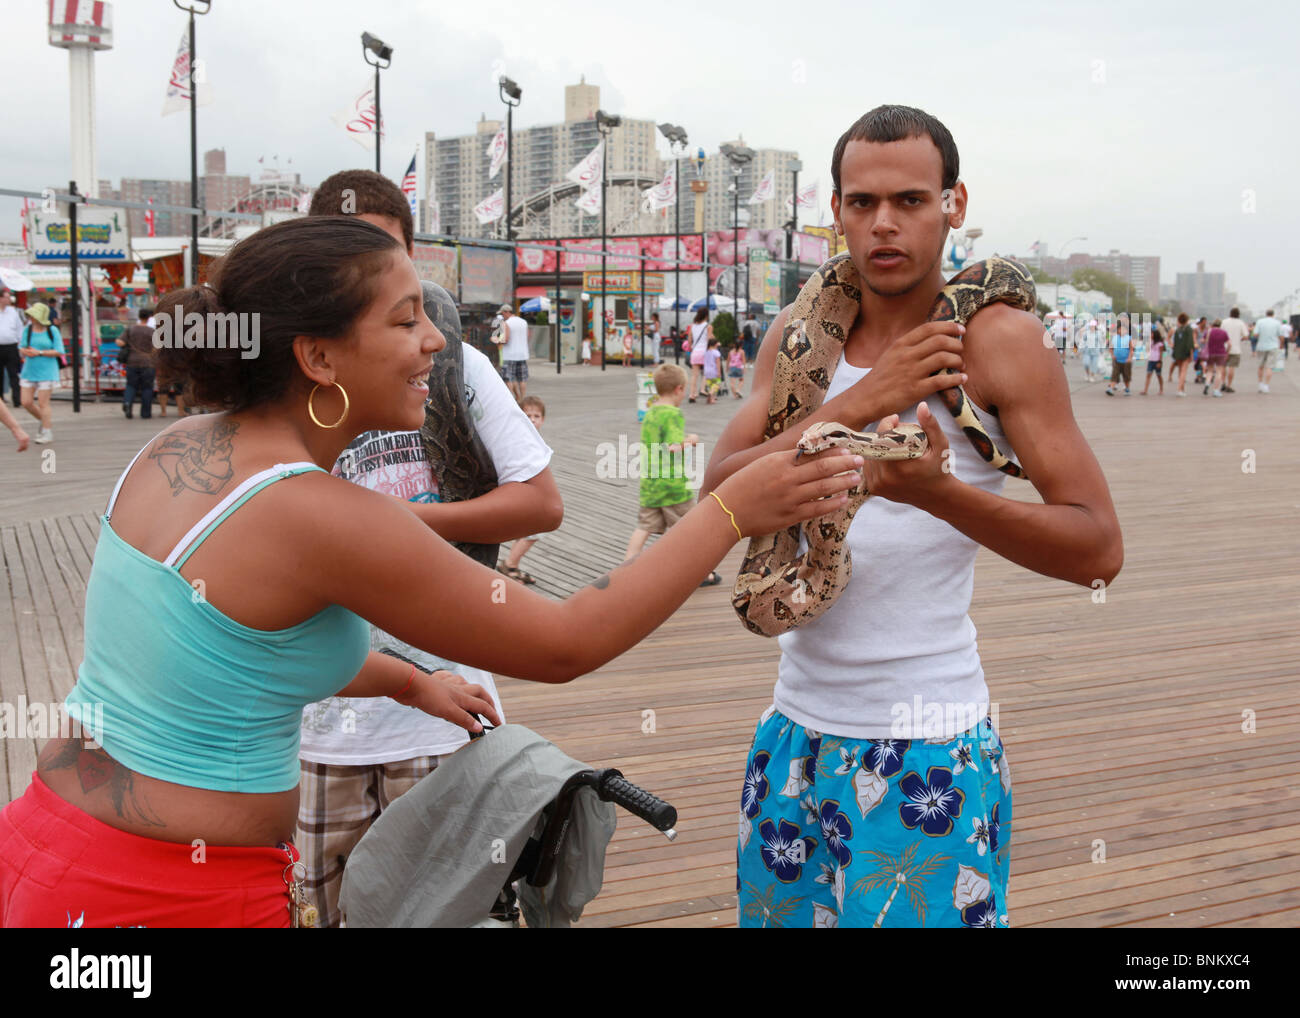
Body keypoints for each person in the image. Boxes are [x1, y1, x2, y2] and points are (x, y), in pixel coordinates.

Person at [0, 217, 863, 927]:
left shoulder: (174, 448)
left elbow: (224, 644)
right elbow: (565, 641)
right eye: (405, 319)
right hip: (161, 898)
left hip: (47, 845)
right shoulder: (317, 512)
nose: (435, 341)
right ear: (319, 358)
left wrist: (408, 685)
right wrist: (729, 512)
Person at [701, 105, 1122, 928]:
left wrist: (937, 493)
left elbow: (1098, 546)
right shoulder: (796, 333)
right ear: (837, 211)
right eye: (862, 203)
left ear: (954, 204)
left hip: (928, 747)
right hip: (792, 736)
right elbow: (717, 487)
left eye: (911, 200)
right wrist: (865, 399)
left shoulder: (1000, 341)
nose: (884, 224)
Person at [296, 169, 563, 928]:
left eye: (393, 256)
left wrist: (407, 528)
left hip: (442, 712)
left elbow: (541, 501)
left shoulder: (453, 364)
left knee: (448, 910)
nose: (378, 276)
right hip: (319, 727)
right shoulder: (290, 380)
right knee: (322, 910)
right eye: (355, 254)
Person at [622, 363, 721, 584]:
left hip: (651, 483)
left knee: (644, 527)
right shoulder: (673, 414)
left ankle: (625, 569)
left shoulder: (650, 413)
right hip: (673, 485)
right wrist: (692, 440)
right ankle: (702, 573)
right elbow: (674, 446)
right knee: (692, 529)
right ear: (678, 389)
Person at [497, 396, 548, 586]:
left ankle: (512, 565)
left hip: (530, 494)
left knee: (528, 532)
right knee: (536, 531)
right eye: (528, 416)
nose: (533, 419)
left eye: (537, 416)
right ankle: (509, 565)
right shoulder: (520, 441)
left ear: (543, 419)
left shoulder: (535, 439)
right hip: (521, 494)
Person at [17, 302, 61, 443]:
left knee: (43, 402)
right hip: (30, 369)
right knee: (26, 402)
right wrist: (25, 351)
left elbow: (59, 351)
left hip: (47, 370)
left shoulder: (52, 330)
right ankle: (44, 421)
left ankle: (47, 432)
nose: (31, 318)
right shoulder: (28, 329)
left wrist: (40, 352)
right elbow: (22, 347)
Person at [117, 307, 157, 419]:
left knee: (131, 385)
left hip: (132, 361)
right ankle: (145, 413)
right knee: (147, 388)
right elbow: (157, 347)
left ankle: (127, 403)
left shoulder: (130, 329)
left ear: (139, 316)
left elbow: (119, 342)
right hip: (148, 363)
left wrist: (129, 346)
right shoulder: (152, 332)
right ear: (149, 318)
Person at [497, 304, 530, 401]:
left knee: (509, 378)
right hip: (522, 354)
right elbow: (527, 336)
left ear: (506, 312)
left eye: (502, 314)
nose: (502, 316)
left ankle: (511, 399)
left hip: (509, 355)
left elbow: (505, 339)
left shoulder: (506, 323)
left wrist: (496, 340)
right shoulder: (524, 322)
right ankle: (522, 398)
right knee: (522, 379)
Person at [0, 287, 23, 408]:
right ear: (1, 298)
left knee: (13, 373)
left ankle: (17, 399)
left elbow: (19, 328)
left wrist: (20, 344)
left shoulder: (13, 311)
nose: (9, 299)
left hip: (11, 347)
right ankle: (1, 399)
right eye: (7, 297)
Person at [1252, 309, 1283, 393]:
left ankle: (1260, 384)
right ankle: (1266, 385)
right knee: (1269, 367)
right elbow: (1281, 336)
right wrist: (1281, 345)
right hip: (1273, 346)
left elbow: (1255, 334)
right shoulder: (1277, 323)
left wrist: (1261, 338)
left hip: (1261, 346)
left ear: (1266, 314)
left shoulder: (1260, 322)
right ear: (1273, 314)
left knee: (1260, 366)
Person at [1220, 308, 1249, 394]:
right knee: (1231, 368)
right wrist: (1240, 339)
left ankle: (1222, 383)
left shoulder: (1224, 322)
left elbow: (1220, 333)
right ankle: (1229, 385)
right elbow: (1246, 336)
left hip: (1224, 347)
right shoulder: (1241, 323)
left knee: (1223, 367)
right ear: (1238, 314)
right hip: (1235, 348)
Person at [687, 308, 712, 402]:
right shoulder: (708, 326)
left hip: (695, 351)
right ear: (706, 315)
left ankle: (691, 394)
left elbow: (689, 340)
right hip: (704, 351)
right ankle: (702, 389)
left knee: (694, 375)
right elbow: (709, 339)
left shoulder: (692, 326)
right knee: (706, 372)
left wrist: (690, 348)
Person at [1104, 316, 1132, 396]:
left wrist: (1129, 358)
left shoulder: (1129, 338)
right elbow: (1111, 348)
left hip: (1126, 361)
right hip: (1117, 360)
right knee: (1114, 374)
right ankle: (1111, 388)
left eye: (1124, 329)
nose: (1122, 331)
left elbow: (1131, 349)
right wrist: (1112, 355)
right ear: (1118, 330)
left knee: (1126, 376)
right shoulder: (1114, 338)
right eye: (1120, 329)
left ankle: (1127, 389)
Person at [1169, 312, 1195, 396]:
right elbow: (1190, 342)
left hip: (1177, 353)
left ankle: (1182, 389)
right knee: (1183, 371)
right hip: (1185, 353)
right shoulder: (1189, 329)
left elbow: (1175, 342)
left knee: (1180, 371)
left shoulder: (1178, 329)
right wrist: (1191, 354)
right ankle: (1180, 389)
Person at [1203, 318, 1229, 396]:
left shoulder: (1208, 331)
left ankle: (1207, 384)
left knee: (1210, 370)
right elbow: (1229, 343)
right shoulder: (1223, 332)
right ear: (1220, 325)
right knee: (1219, 372)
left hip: (1210, 353)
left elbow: (1203, 340)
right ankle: (1216, 390)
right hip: (1221, 353)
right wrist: (1227, 351)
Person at [1140, 325, 1165, 395]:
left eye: (1152, 334)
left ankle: (1161, 389)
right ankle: (1145, 390)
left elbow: (1161, 354)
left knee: (1159, 375)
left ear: (1155, 335)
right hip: (1150, 361)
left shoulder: (1160, 344)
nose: (1151, 335)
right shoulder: (1151, 342)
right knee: (1148, 375)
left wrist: (1160, 362)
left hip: (1157, 361)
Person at [702, 335, 724, 404]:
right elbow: (718, 363)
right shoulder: (716, 352)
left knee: (710, 385)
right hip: (714, 370)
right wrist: (719, 372)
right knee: (717, 384)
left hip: (706, 371)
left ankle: (712, 399)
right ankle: (711, 394)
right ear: (715, 344)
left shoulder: (706, 352)